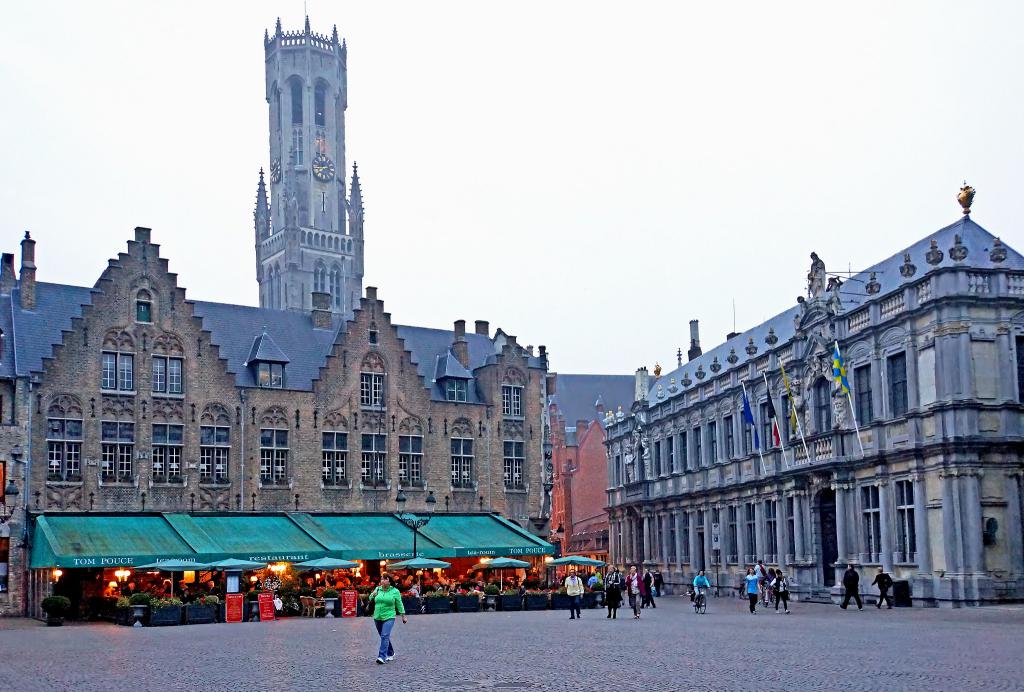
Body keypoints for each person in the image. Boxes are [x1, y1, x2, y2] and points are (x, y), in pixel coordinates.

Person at [369, 574, 407, 665]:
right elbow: (370, 598)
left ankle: (382, 656)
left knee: (384, 635)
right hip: (377, 616)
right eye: (381, 579)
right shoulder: (378, 589)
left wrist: (403, 615)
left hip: (389, 616)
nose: (382, 581)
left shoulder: (395, 591)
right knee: (383, 636)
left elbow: (399, 604)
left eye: (385, 579)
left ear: (389, 581)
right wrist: (372, 595)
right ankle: (391, 652)